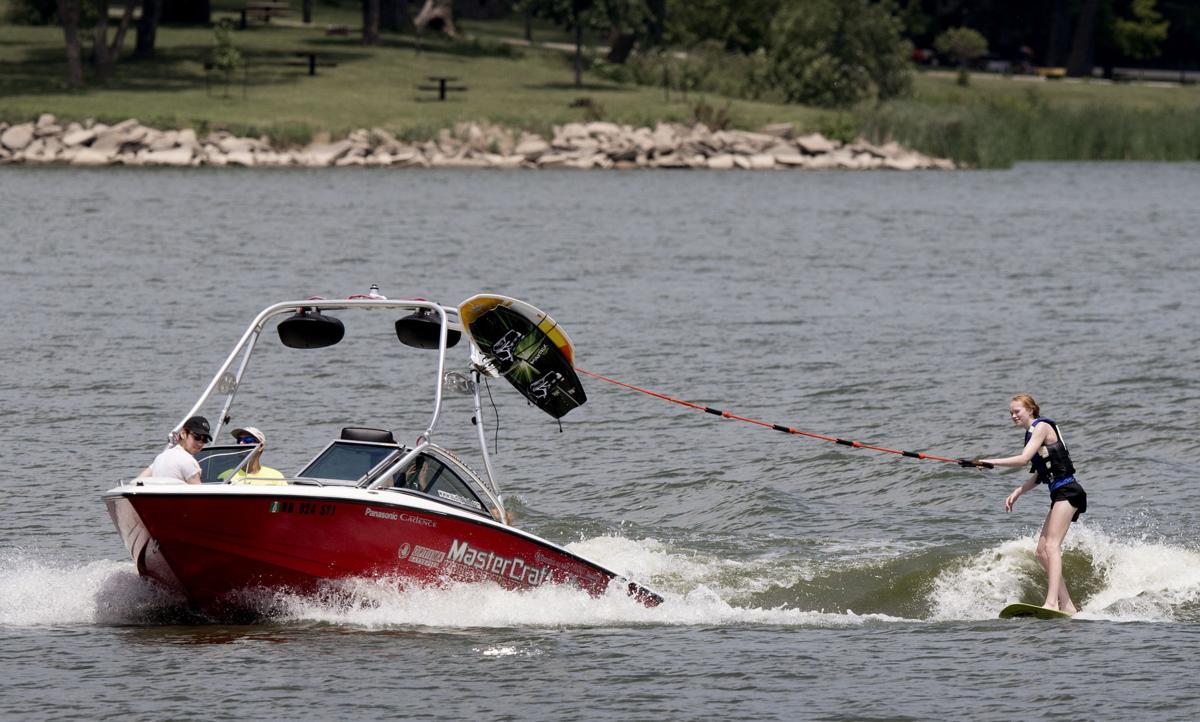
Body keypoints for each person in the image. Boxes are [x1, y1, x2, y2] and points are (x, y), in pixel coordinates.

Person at [979, 394, 1087, 614]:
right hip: (1058, 493)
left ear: (1030, 409)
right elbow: (1040, 473)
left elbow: (1023, 459)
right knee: (1041, 552)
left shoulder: (1042, 427)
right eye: (1010, 412)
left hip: (1069, 490)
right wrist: (1019, 491)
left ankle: (1052, 602)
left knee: (1052, 546)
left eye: (1017, 411)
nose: (1013, 415)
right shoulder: (1031, 435)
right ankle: (1067, 605)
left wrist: (990, 461)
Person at [139, 415, 211, 484]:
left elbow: (138, 481)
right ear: (183, 434)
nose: (200, 443)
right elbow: (198, 491)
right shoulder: (189, 461)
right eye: (197, 437)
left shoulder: (160, 458)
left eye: (204, 440)